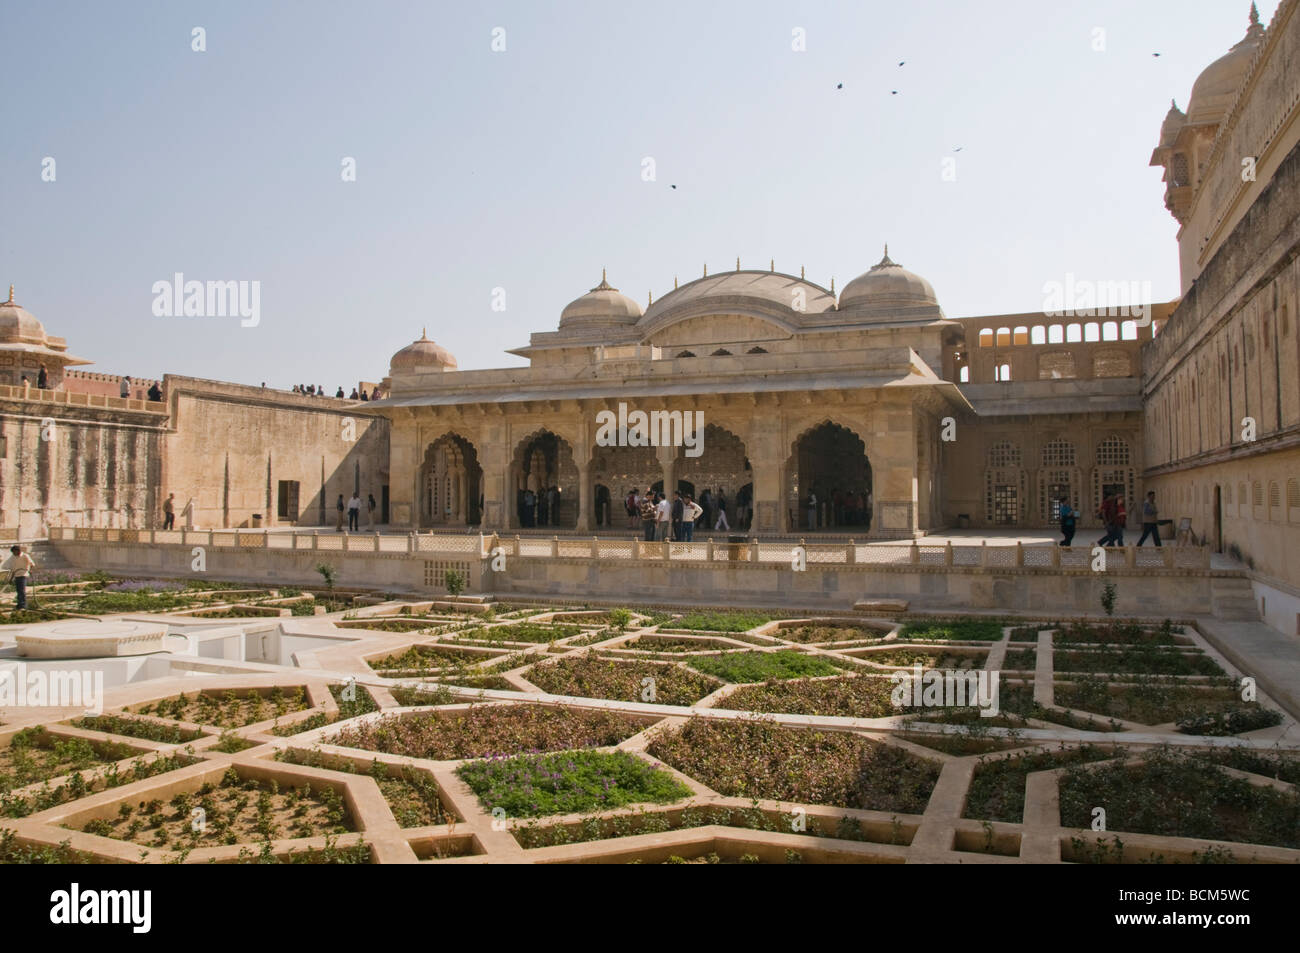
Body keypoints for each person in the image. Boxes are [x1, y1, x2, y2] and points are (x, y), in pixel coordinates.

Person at [2, 545, 36, 610]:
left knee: (22, 590)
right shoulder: (14, 558)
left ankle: (23, 605)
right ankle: (19, 604)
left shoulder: (25, 556)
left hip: (23, 574)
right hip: (17, 575)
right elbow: (13, 570)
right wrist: (11, 579)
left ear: (18, 551)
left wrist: (30, 570)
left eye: (14, 552)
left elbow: (32, 564)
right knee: (18, 590)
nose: (13, 553)